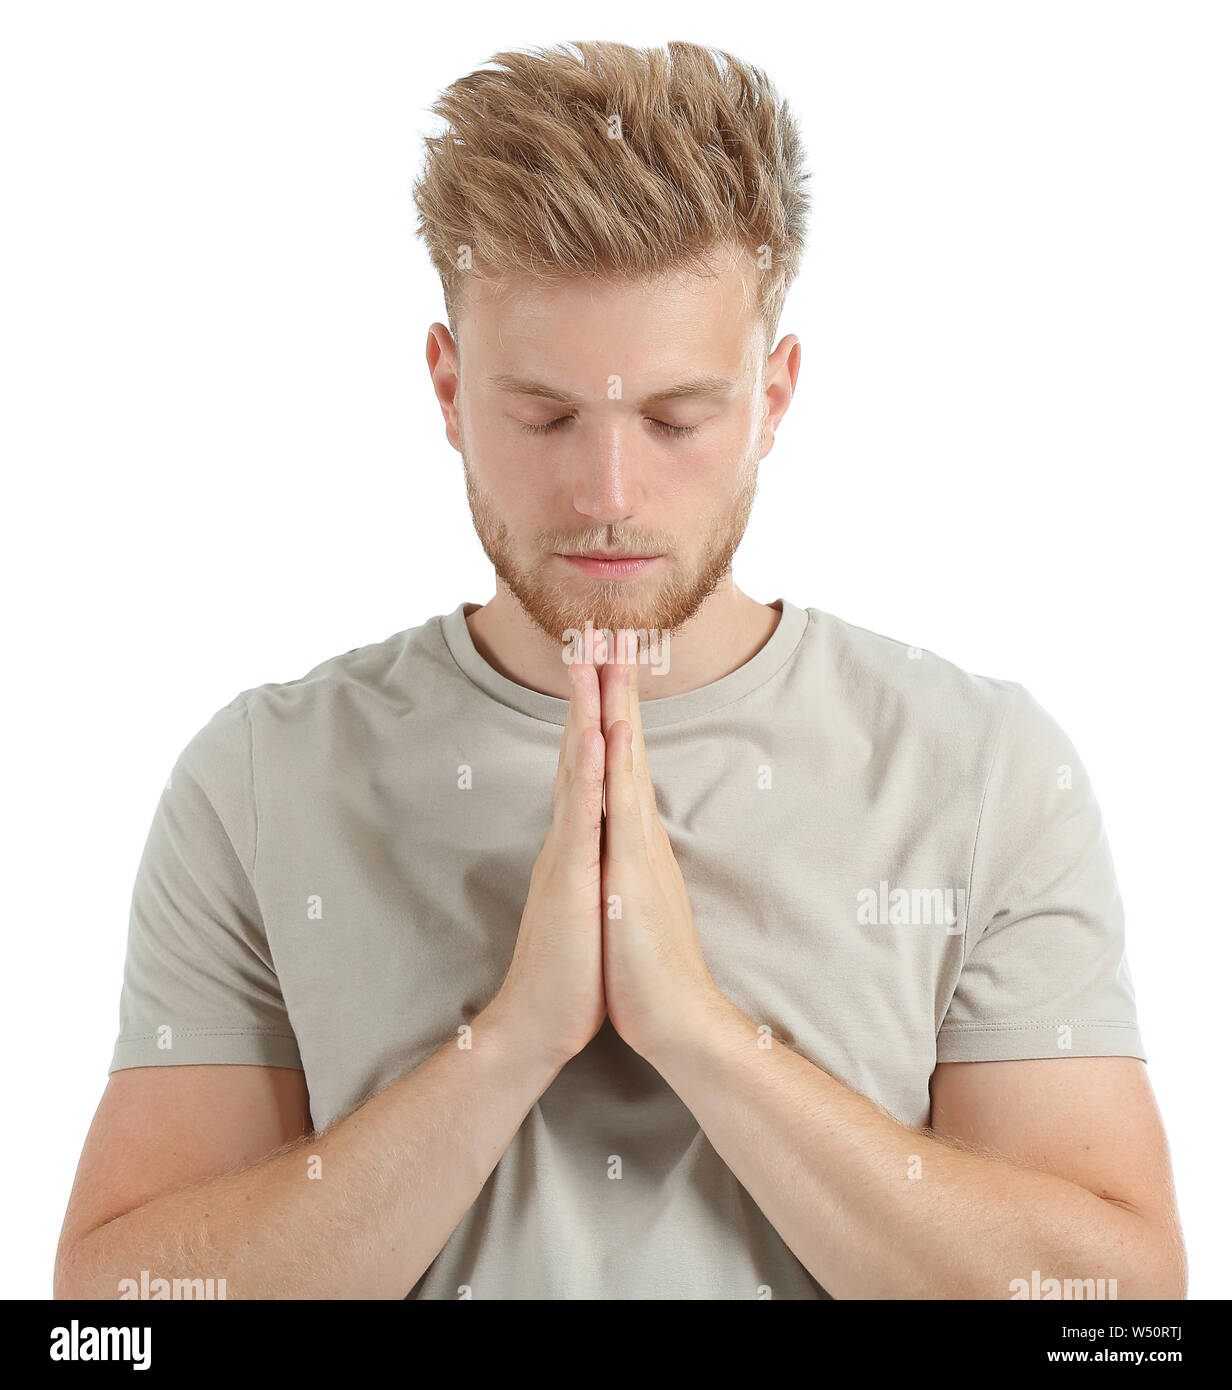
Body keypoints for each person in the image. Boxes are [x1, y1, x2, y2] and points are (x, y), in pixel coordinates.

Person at [54, 40, 1185, 1300]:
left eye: (673, 419)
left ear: (773, 397)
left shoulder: (979, 772)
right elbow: (117, 1325)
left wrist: (697, 1031)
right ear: (445, 389)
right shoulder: (261, 778)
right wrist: (514, 1037)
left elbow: (1119, 1319)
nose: (605, 494)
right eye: (542, 415)